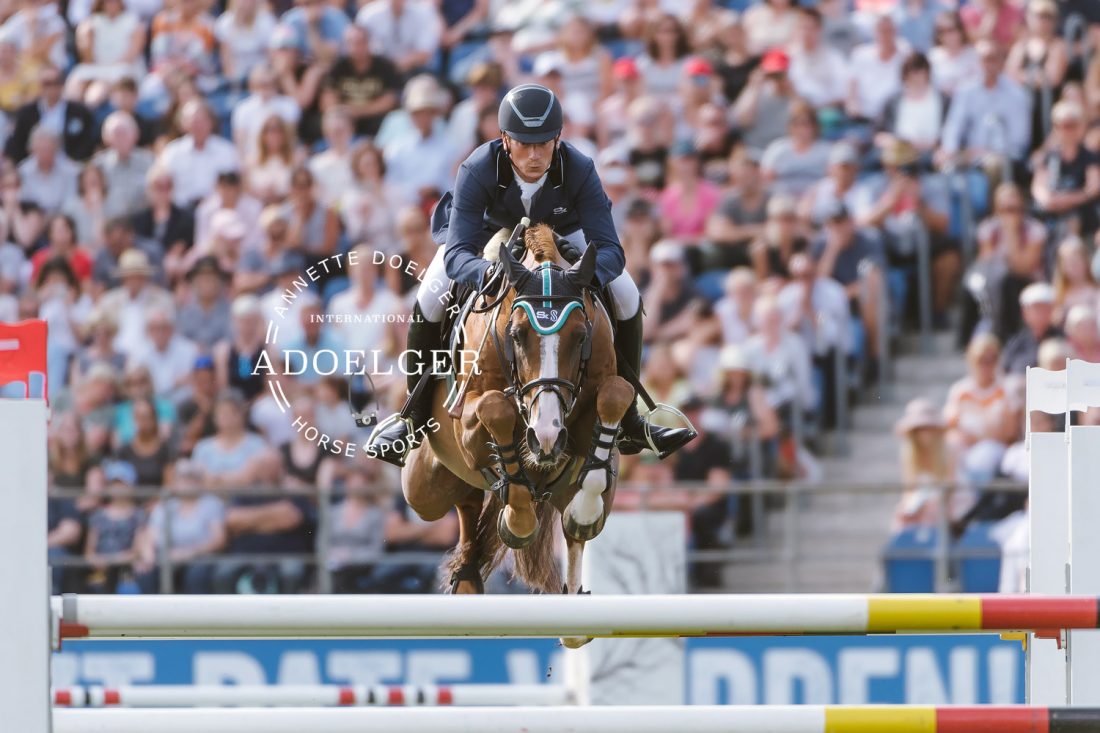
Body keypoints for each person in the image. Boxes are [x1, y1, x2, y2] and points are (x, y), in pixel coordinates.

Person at [366, 83, 696, 466]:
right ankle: (413, 417)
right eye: (524, 143)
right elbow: (457, 253)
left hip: (562, 230)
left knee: (626, 293)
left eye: (544, 143)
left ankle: (633, 420)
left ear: (558, 138)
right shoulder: (476, 167)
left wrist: (582, 277)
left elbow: (610, 249)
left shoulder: (579, 167)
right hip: (491, 235)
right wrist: (485, 272)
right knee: (431, 291)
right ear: (505, 139)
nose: (535, 155)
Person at [1002, 283, 1060, 375]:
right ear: (1024, 312)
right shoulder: (1016, 343)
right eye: (1036, 308)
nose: (1040, 313)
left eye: (1044, 308)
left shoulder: (1063, 340)